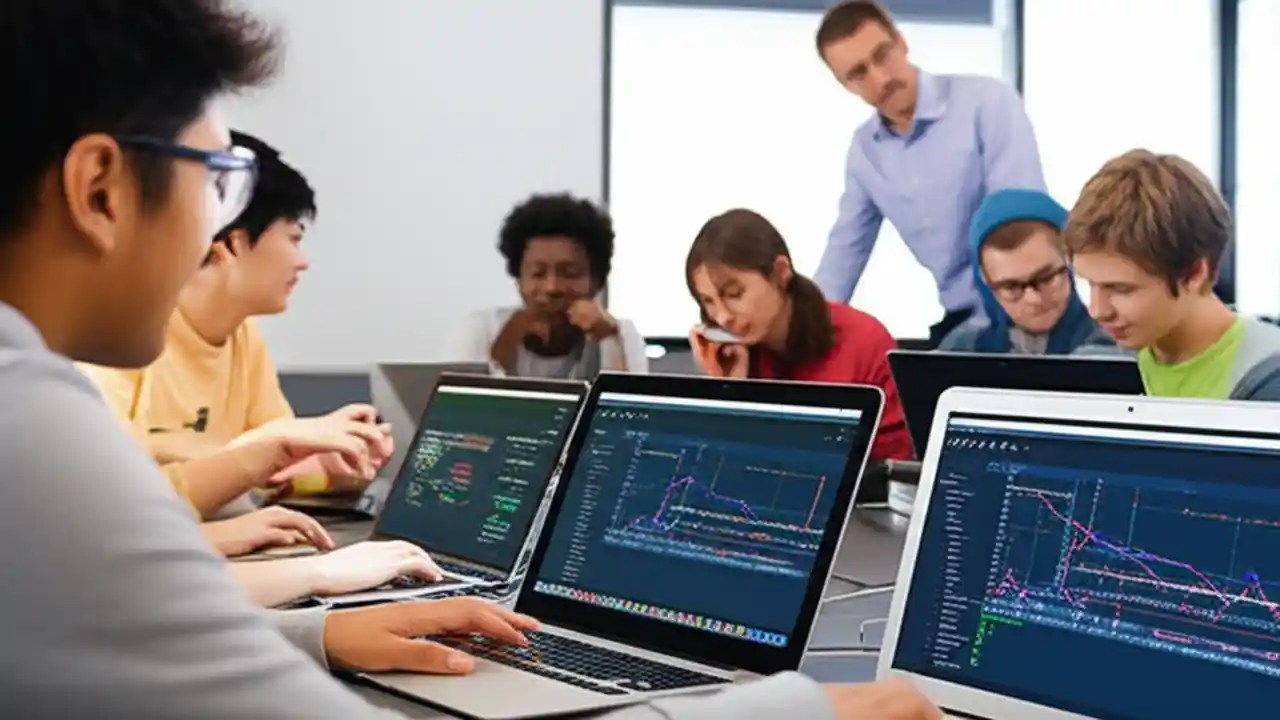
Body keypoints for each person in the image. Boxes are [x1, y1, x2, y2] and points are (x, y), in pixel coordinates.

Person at [0, 1, 941, 718]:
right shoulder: (31, 433)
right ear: (98, 188)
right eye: (217, 182)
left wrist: (323, 630)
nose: (217, 235)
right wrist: (801, 707)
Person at [80, 130, 391, 507]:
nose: (303, 261)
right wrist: (259, 452)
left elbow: (262, 474)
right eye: (294, 238)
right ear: (233, 242)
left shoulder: (243, 335)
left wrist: (329, 468)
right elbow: (109, 505)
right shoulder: (120, 334)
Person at [811, 0, 1045, 347]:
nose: (880, 78)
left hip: (1030, 305)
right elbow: (843, 254)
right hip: (962, 323)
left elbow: (1020, 223)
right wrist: (801, 328)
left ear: (901, 41)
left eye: (882, 55)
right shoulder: (865, 153)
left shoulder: (986, 102)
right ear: (846, 84)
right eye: (859, 72)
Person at [685, 209, 912, 463]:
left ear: (781, 271)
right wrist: (729, 389)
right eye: (708, 302)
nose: (722, 316)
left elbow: (897, 469)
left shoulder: (864, 341)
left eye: (734, 294)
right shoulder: (735, 355)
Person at [1065, 150, 1280, 400]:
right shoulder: (1092, 363)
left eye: (1122, 289)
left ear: (1194, 273)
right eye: (1088, 283)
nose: (1097, 310)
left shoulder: (1268, 381)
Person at [469, 193, 648, 378]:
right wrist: (505, 345)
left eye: (570, 274)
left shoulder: (621, 334)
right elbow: (456, 403)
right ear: (519, 279)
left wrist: (610, 340)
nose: (552, 288)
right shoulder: (482, 328)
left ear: (597, 281)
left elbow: (628, 403)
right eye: (538, 274)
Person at [939, 189, 1114, 355]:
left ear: (1070, 262)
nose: (1034, 300)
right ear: (986, 283)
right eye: (1011, 287)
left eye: (1046, 278)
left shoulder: (1116, 348)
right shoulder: (960, 351)